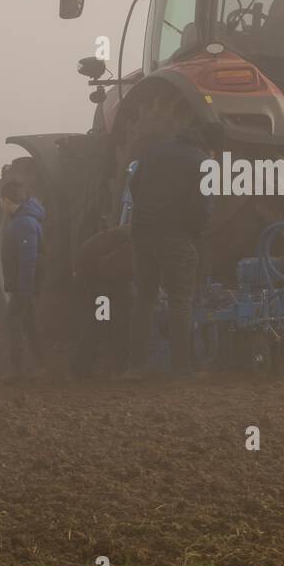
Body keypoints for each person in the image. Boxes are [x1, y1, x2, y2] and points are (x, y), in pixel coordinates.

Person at [122, 126, 216, 381]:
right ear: (208, 146)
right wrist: (194, 233)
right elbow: (205, 209)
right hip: (173, 234)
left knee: (144, 298)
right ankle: (181, 369)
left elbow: (134, 183)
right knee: (180, 300)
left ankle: (135, 367)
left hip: (141, 233)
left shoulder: (155, 150)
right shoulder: (203, 161)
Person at [69, 224, 133, 380]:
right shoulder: (128, 244)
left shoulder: (122, 236)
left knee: (102, 323)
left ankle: (84, 366)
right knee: (105, 322)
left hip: (95, 278)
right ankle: (113, 368)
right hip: (96, 283)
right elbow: (112, 268)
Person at [0, 182, 46, 384]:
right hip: (22, 285)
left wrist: (23, 290)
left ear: (8, 201)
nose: (1, 205)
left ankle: (16, 369)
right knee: (29, 323)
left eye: (1, 201)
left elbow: (29, 260)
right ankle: (42, 365)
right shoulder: (20, 220)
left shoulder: (24, 223)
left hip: (24, 286)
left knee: (12, 320)